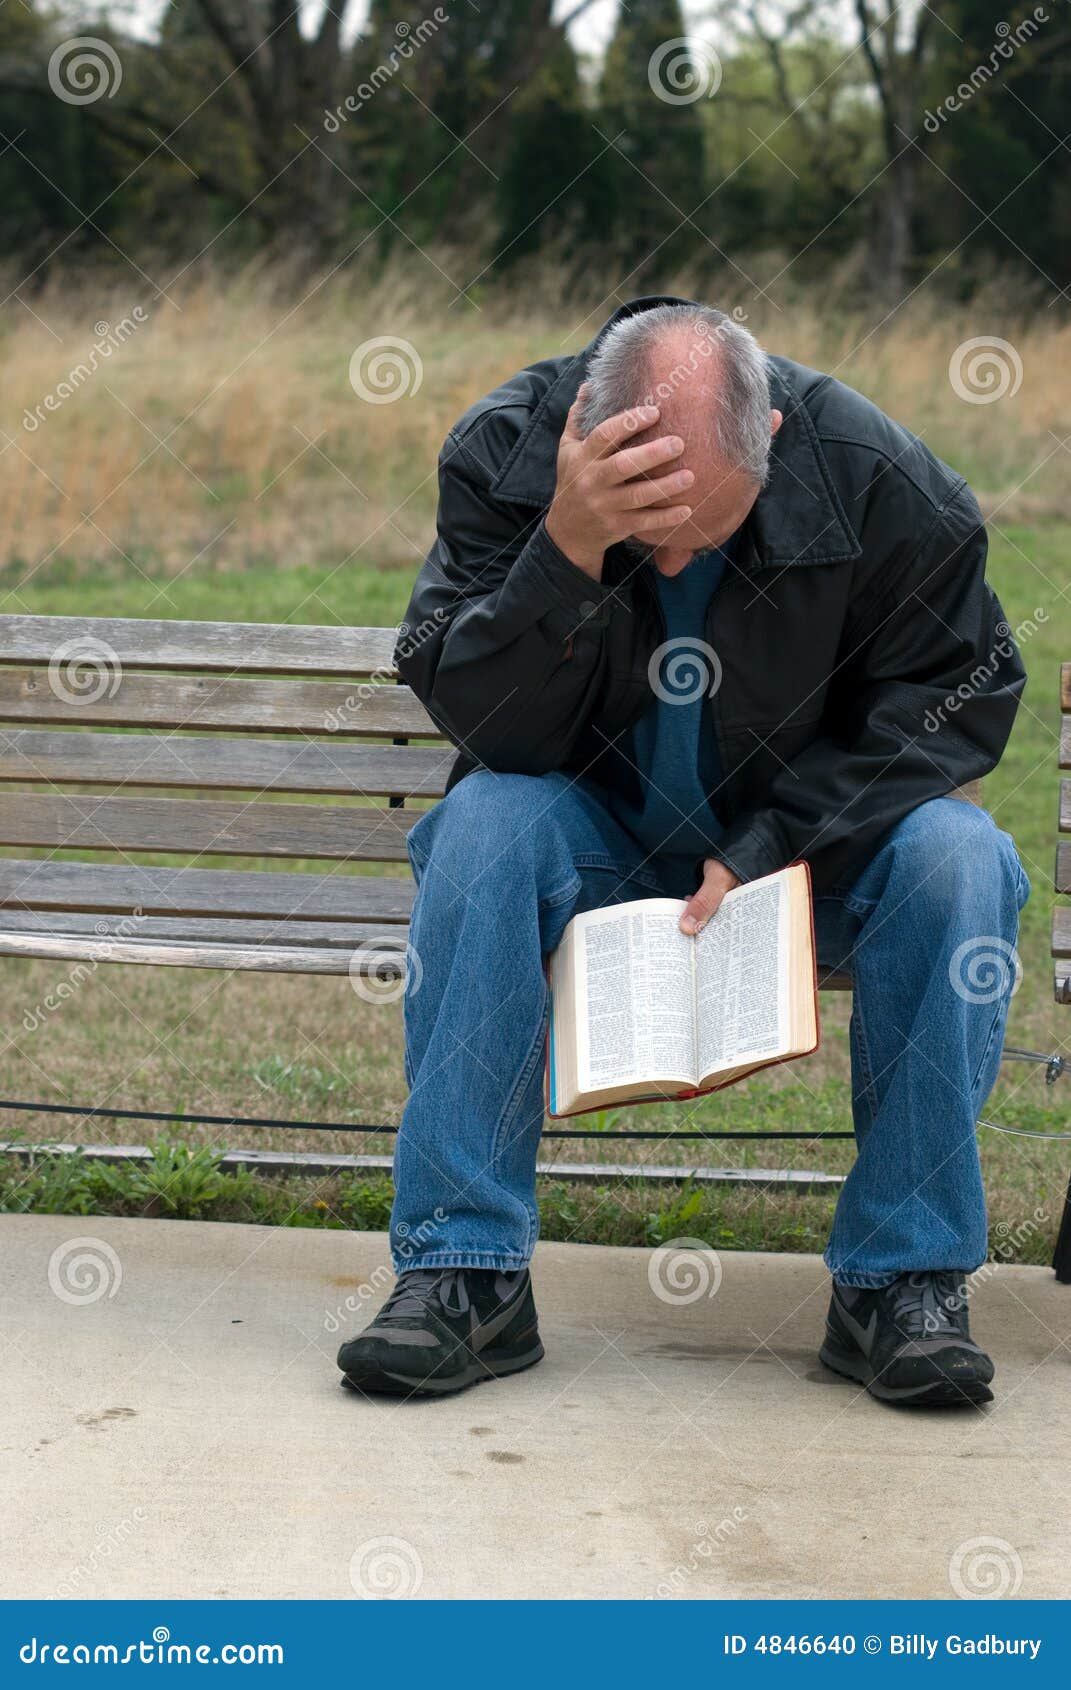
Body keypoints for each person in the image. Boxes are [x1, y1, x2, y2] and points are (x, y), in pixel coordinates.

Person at [337, 297, 1028, 1408]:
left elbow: (960, 699)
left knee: (960, 857)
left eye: (702, 527)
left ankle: (902, 1283)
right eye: (643, 523)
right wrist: (564, 546)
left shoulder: (887, 482)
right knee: (481, 827)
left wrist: (776, 842)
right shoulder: (507, 456)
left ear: (777, 444)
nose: (668, 558)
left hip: (810, 861)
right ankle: (464, 1275)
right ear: (584, 433)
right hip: (597, 836)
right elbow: (486, 722)